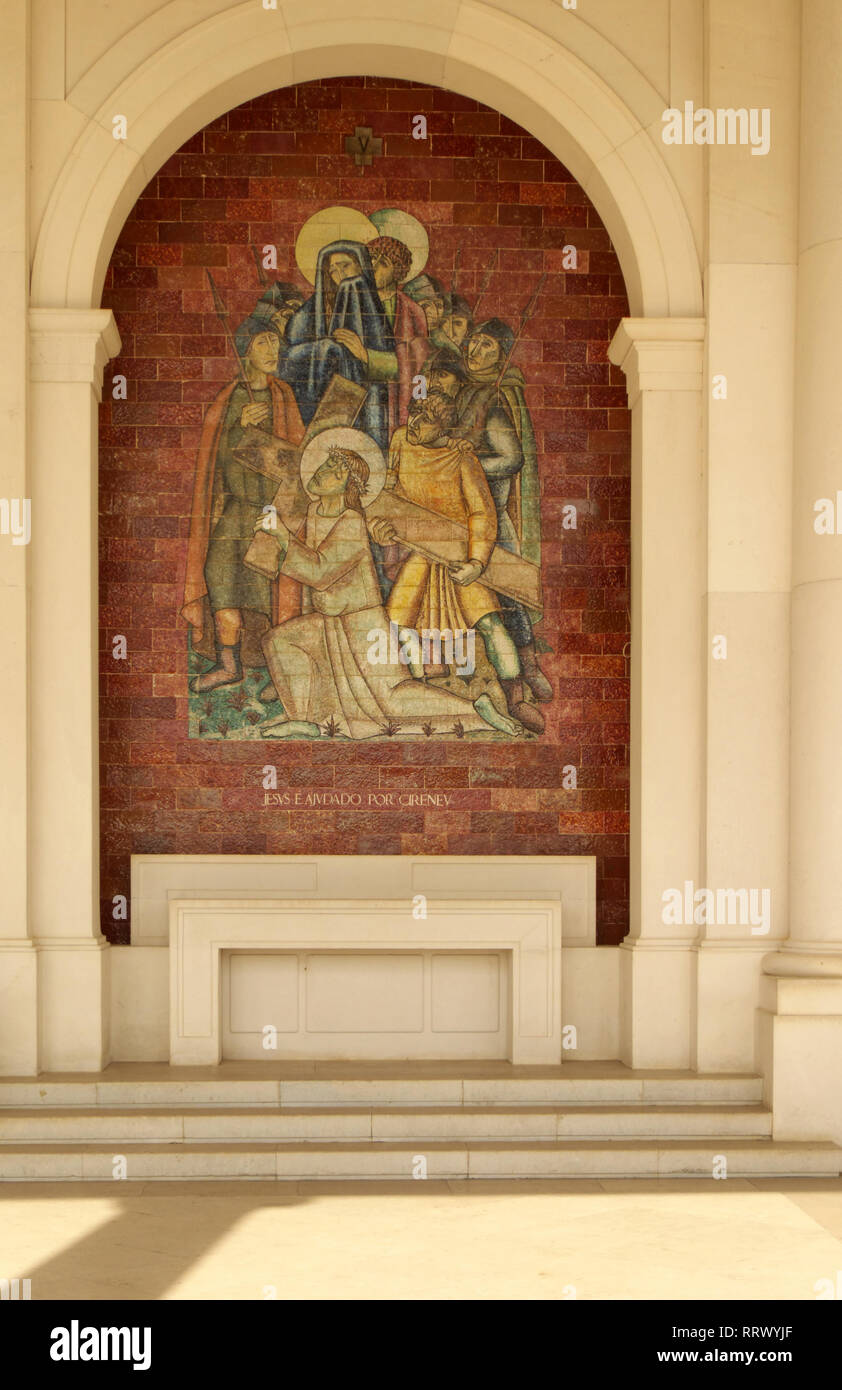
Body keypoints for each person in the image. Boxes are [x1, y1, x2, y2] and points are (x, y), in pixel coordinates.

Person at [255, 445, 516, 739]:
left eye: (334, 471)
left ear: (348, 485)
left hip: (361, 624)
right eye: (325, 466)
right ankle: (304, 719)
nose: (322, 472)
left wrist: (282, 535)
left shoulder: (352, 520)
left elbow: (320, 572)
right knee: (280, 641)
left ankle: (475, 709)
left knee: (393, 698)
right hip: (329, 621)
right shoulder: (316, 511)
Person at [374, 393, 544, 733]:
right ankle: (422, 684)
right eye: (414, 415)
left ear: (444, 427)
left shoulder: (463, 460)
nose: (414, 424)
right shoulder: (400, 443)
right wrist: (380, 529)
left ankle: (516, 698)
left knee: (490, 625)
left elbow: (482, 514)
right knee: (397, 618)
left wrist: (477, 563)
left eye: (425, 419)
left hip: (460, 557)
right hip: (423, 552)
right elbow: (387, 492)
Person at [181, 318, 305, 695]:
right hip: (236, 507)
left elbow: (296, 452)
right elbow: (211, 459)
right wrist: (237, 425)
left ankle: (279, 676)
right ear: (245, 349)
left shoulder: (282, 395)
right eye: (264, 342)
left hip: (271, 510)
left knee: (269, 589)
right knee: (220, 579)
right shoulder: (230, 398)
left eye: (275, 342)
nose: (273, 350)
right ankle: (229, 664)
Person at [455, 317, 552, 708]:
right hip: (458, 516)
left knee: (508, 594)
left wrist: (469, 467)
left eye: (487, 348)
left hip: (493, 512)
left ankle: (529, 668)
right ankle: (505, 684)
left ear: (500, 356)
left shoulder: (496, 397)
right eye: (474, 344)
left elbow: (511, 459)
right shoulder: (461, 390)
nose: (475, 353)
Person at [279, 240, 396, 450]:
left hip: (370, 401)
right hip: (325, 399)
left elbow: (401, 364)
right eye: (332, 270)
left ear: (361, 266)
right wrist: (326, 349)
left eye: (345, 266)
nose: (339, 275)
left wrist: (364, 355)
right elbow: (287, 358)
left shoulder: (380, 309)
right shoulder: (308, 314)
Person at [367, 235, 429, 434]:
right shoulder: (352, 302)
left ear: (399, 272)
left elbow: (420, 363)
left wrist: (368, 357)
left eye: (383, 263)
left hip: (396, 394)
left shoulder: (412, 311)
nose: (373, 267)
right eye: (370, 259)